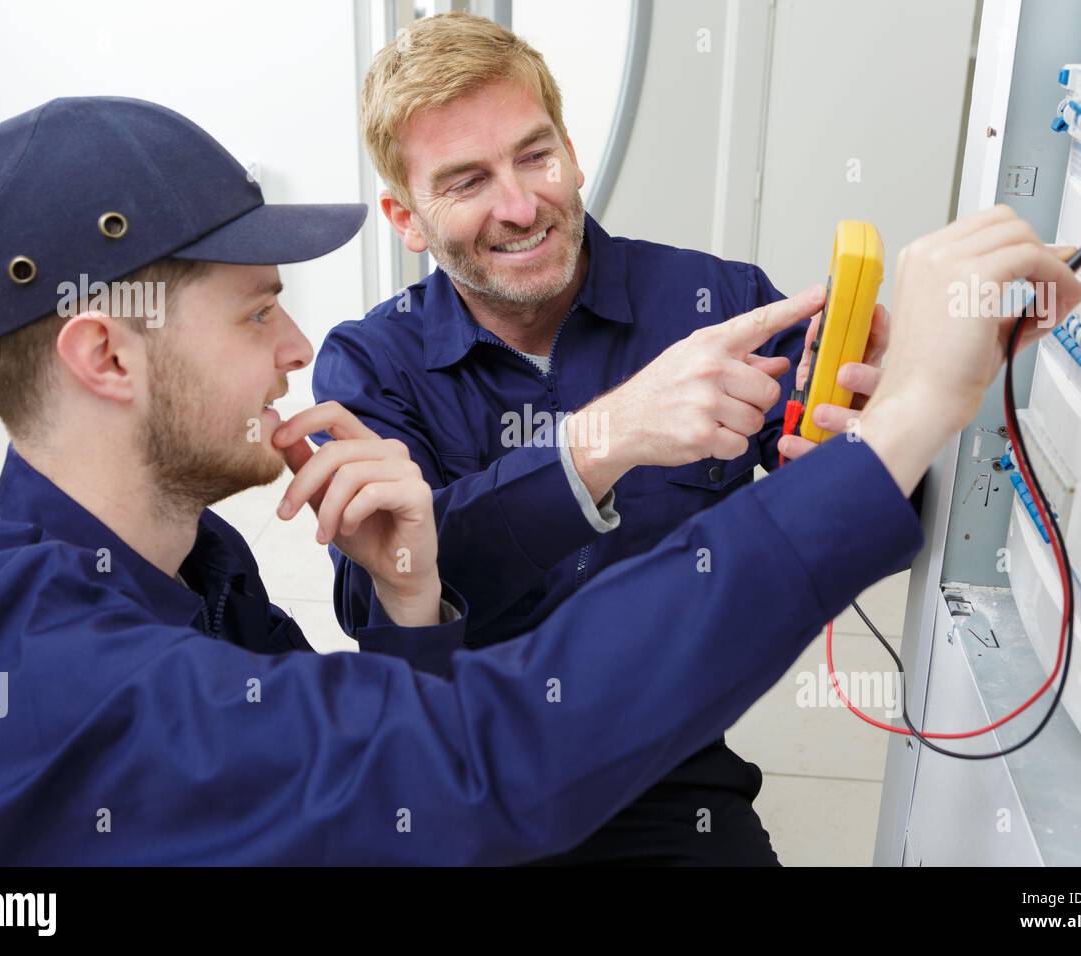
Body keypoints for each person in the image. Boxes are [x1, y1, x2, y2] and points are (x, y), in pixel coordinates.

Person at [0, 95, 1081, 865]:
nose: (294, 350)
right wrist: (923, 406)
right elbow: (468, 761)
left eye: (535, 157)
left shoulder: (191, 567)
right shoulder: (25, 661)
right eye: (258, 310)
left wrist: (414, 596)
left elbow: (372, 790)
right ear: (105, 353)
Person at [314, 10, 891, 863]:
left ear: (573, 151)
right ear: (407, 217)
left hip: (666, 775)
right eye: (467, 181)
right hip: (456, 769)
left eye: (535, 155)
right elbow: (384, 611)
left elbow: (864, 495)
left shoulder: (715, 303)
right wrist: (602, 442)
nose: (521, 205)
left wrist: (882, 433)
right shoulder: (368, 366)